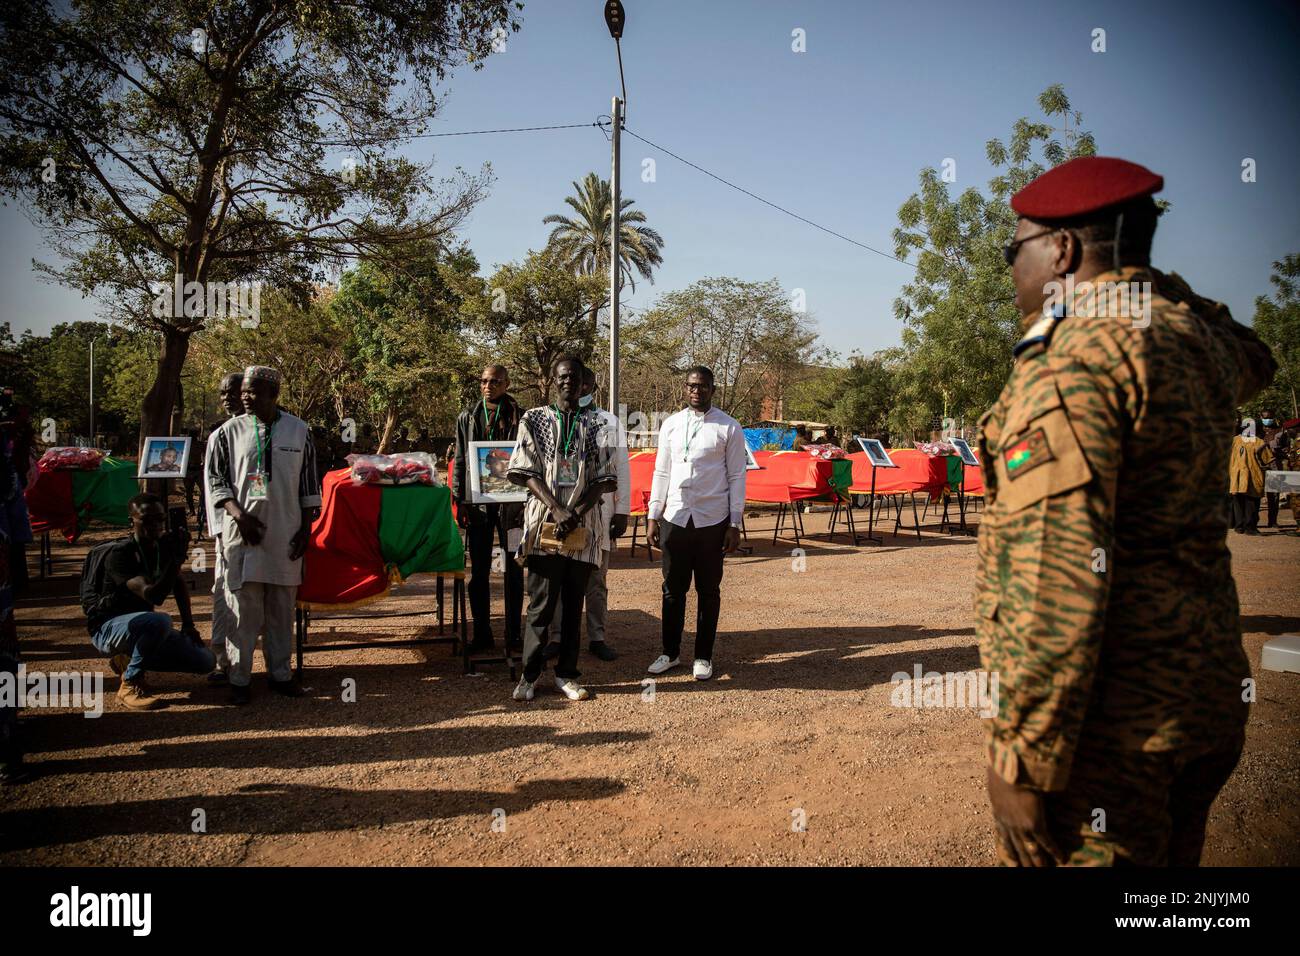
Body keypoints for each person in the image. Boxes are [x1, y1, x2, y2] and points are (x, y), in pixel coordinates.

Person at [977, 155, 1275, 866]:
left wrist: (1024, 756)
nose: (1009, 266)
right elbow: (1257, 357)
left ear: (1063, 250)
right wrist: (1143, 274)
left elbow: (1058, 572)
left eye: (1014, 247)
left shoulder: (1073, 359)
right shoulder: (1191, 339)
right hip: (1200, 706)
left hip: (1111, 737)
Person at [505, 356, 617, 702]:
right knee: (541, 604)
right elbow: (524, 470)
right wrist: (557, 508)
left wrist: (576, 513)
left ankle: (567, 675)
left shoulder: (600, 424)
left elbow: (605, 478)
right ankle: (529, 675)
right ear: (555, 380)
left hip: (585, 527)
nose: (569, 382)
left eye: (575, 377)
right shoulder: (534, 419)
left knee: (572, 606)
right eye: (563, 376)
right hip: (544, 522)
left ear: (584, 382)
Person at [207, 366, 321, 705]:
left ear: (274, 395)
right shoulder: (226, 433)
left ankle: (280, 675)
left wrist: (306, 529)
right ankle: (239, 680)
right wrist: (239, 516)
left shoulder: (299, 431)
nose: (244, 396)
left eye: (253, 391)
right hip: (242, 536)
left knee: (281, 610)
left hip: (286, 534)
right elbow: (216, 482)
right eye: (243, 390)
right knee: (242, 610)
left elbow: (308, 486)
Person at [645, 366, 748, 681]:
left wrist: (734, 522)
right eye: (691, 386)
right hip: (675, 517)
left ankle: (703, 656)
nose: (696, 391)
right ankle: (670, 652)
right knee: (672, 590)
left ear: (712, 389)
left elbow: (736, 476)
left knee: (708, 590)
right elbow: (662, 471)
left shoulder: (728, 427)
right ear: (685, 389)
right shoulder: (672, 425)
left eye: (702, 386)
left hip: (711, 520)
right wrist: (653, 514)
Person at [83, 494, 215, 710]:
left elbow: (179, 583)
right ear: (131, 521)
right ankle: (130, 683)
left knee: (205, 661)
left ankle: (127, 658)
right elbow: (154, 597)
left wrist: (189, 625)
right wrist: (174, 562)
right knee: (159, 621)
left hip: (141, 628)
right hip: (107, 628)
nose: (155, 526)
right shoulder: (121, 553)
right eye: (147, 520)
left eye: (160, 519)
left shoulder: (160, 547)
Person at [545, 367, 629, 662]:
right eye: (575, 382)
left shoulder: (608, 422)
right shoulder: (552, 420)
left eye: (586, 384)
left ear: (591, 386)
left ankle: (597, 636)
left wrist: (622, 510)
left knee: (596, 581)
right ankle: (556, 637)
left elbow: (622, 470)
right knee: (556, 577)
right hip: (560, 512)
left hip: (598, 513)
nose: (580, 388)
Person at [452, 364, 525, 654]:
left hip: (512, 503)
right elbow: (460, 459)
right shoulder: (467, 417)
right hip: (479, 504)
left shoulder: (521, 417)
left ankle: (514, 634)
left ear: (506, 383)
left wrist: (526, 499)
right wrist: (460, 499)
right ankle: (482, 633)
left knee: (515, 568)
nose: (487, 386)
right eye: (483, 381)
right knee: (479, 570)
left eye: (494, 381)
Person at [202, 372, 245, 683]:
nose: (226, 398)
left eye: (232, 392)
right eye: (222, 394)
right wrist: (219, 528)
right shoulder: (219, 436)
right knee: (224, 593)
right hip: (227, 529)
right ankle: (222, 659)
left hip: (259, 528)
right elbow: (214, 487)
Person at [1229, 420, 1273, 534]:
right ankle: (1250, 527)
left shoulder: (1233, 440)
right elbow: (1267, 460)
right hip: (1253, 477)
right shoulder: (1259, 442)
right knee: (1252, 502)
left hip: (1236, 477)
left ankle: (1239, 526)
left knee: (1238, 501)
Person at [1261, 410, 1290, 528]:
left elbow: (1286, 448)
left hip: (1274, 466)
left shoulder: (1280, 431)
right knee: (1254, 494)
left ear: (1274, 417)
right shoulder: (1256, 431)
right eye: (1265, 417)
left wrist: (1281, 452)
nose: (1268, 419)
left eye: (1270, 417)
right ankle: (1249, 523)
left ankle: (1272, 521)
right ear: (1260, 417)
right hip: (1258, 466)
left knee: (1274, 495)